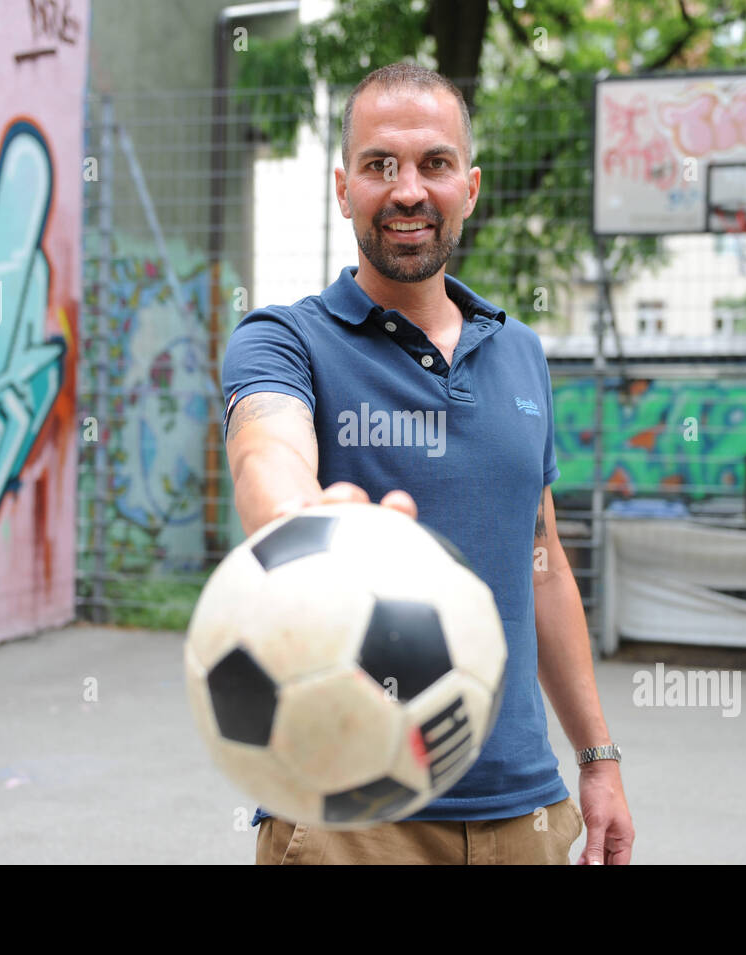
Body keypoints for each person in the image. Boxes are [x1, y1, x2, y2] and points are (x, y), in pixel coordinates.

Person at [220, 63, 634, 865]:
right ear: (343, 188)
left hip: (525, 809)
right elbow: (266, 452)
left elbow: (542, 564)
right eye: (380, 165)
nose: (407, 189)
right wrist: (302, 524)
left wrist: (598, 757)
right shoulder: (284, 338)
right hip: (350, 813)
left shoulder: (519, 352)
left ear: (469, 188)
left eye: (434, 164)